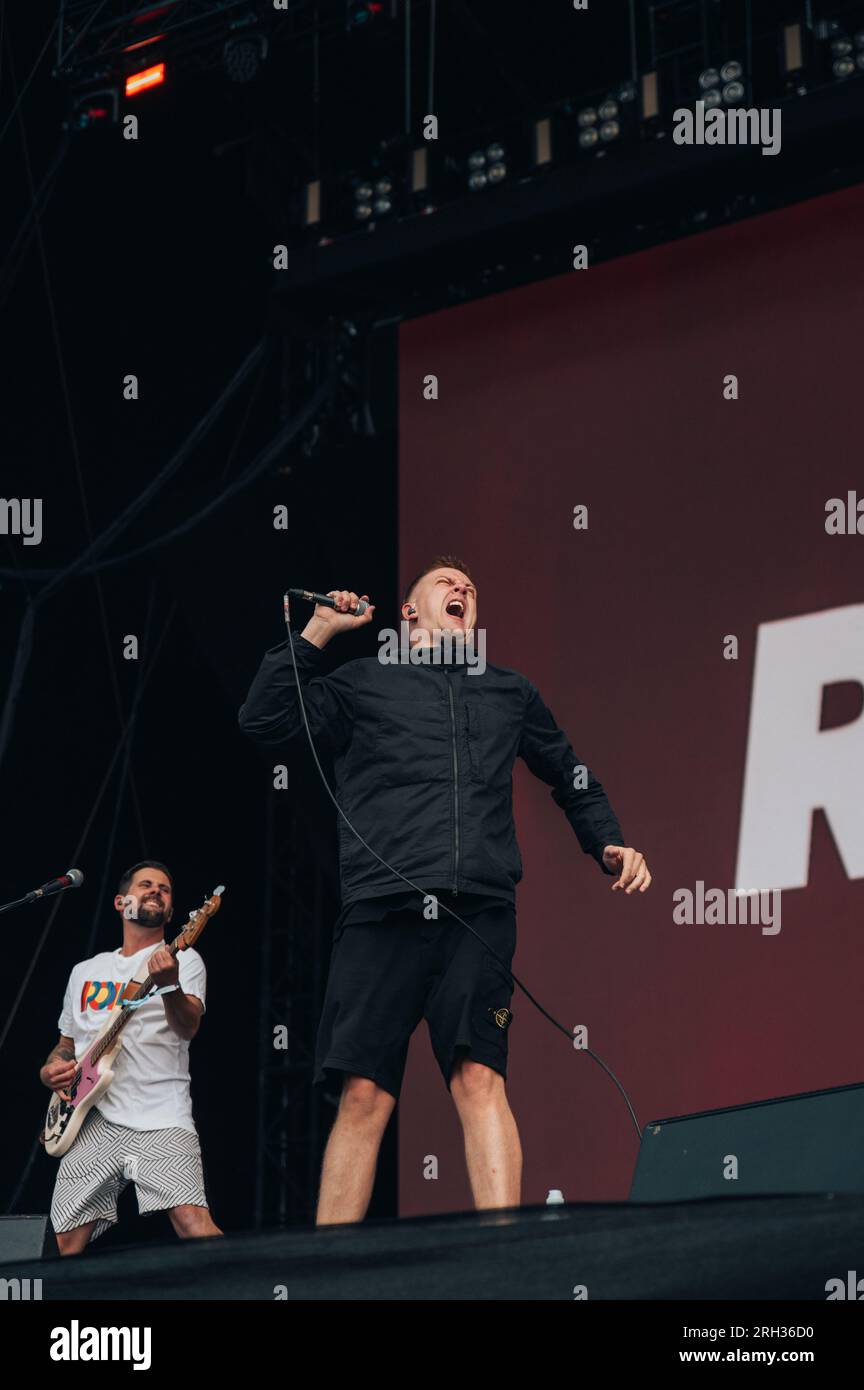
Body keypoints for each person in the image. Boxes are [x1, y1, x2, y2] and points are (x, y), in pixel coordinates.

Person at [238, 557, 651, 1223]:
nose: (461, 589)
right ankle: (327, 1272)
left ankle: (501, 1253)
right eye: (443, 583)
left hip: (478, 915)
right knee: (365, 1094)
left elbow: (568, 772)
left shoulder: (508, 690)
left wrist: (606, 840)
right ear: (409, 613)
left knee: (480, 1079)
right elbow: (264, 719)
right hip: (383, 911)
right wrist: (318, 629)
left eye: (470, 586)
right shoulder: (364, 681)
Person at [41, 860, 221, 1253]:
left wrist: (169, 985)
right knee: (61, 1243)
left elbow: (188, 1026)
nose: (156, 890)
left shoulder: (184, 960)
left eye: (165, 889)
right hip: (94, 1116)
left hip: (161, 1113)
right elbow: (66, 1042)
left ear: (173, 914)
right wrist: (53, 1067)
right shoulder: (84, 971)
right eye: (146, 885)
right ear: (122, 903)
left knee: (194, 1225)